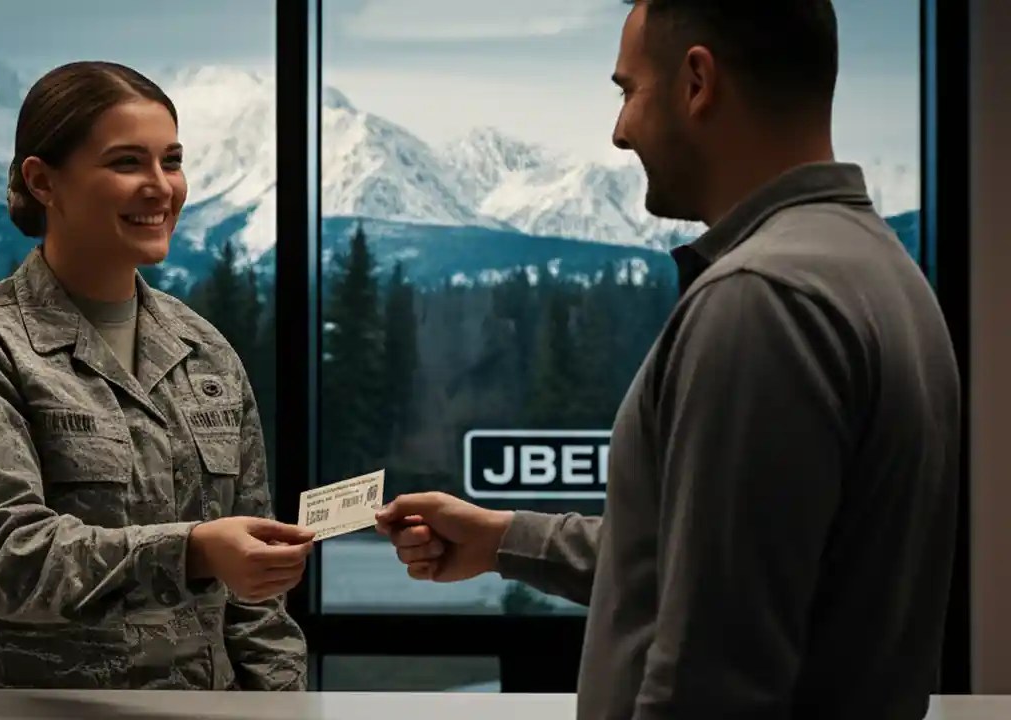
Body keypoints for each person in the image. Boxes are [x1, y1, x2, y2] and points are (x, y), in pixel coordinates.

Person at [376, 2, 960, 719]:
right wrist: (503, 540)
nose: (620, 132)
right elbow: (712, 558)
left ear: (697, 81)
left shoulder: (760, 301)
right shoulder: (883, 275)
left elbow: (713, 678)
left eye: (628, 91)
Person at [0, 61, 313, 691]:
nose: (161, 187)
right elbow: (6, 562)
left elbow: (255, 606)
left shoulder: (206, 351)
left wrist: (283, 705)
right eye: (127, 163)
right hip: (21, 709)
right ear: (43, 181)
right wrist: (195, 550)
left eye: (171, 161)